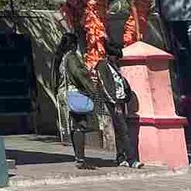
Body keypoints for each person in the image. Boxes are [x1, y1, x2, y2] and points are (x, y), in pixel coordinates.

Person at [57, 30, 99, 169]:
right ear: (74, 44)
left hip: (64, 94)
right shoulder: (72, 58)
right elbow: (79, 73)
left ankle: (78, 157)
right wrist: (91, 88)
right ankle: (81, 159)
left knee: (75, 126)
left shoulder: (60, 58)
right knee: (80, 125)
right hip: (75, 94)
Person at [97, 49, 141, 168]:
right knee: (124, 129)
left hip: (121, 101)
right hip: (113, 102)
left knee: (119, 130)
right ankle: (132, 159)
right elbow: (104, 86)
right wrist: (114, 102)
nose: (117, 60)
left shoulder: (115, 66)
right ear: (110, 55)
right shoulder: (102, 66)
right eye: (116, 57)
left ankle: (120, 157)